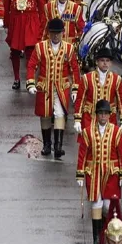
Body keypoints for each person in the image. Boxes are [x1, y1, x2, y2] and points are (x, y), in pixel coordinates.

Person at [76, 99, 122, 244]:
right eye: (100, 114)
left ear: (109, 115)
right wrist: (80, 174)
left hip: (111, 174)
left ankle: (109, 233)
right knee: (96, 204)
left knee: (108, 206)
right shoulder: (87, 132)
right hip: (93, 174)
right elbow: (82, 154)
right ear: (96, 115)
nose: (103, 117)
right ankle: (97, 238)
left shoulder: (117, 132)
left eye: (106, 114)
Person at [28, 18, 80, 161]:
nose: (55, 36)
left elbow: (74, 69)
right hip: (44, 86)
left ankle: (58, 146)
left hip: (61, 87)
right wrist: (31, 83)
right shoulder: (40, 47)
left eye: (58, 33)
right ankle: (46, 144)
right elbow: (32, 65)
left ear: (63, 33)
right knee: (45, 115)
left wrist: (75, 89)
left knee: (59, 114)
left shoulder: (69, 48)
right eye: (53, 33)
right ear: (49, 33)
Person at [3, 0, 47, 89]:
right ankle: (16, 78)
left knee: (31, 51)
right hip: (16, 21)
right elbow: (6, 7)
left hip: (31, 20)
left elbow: (41, 6)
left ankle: (30, 78)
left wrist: (42, 24)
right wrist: (6, 24)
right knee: (15, 51)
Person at [75, 46, 122, 130]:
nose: (105, 63)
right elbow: (80, 99)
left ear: (111, 63)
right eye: (102, 60)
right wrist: (77, 119)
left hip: (109, 120)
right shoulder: (86, 78)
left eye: (107, 61)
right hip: (90, 118)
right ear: (97, 62)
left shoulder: (117, 79)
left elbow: (121, 100)